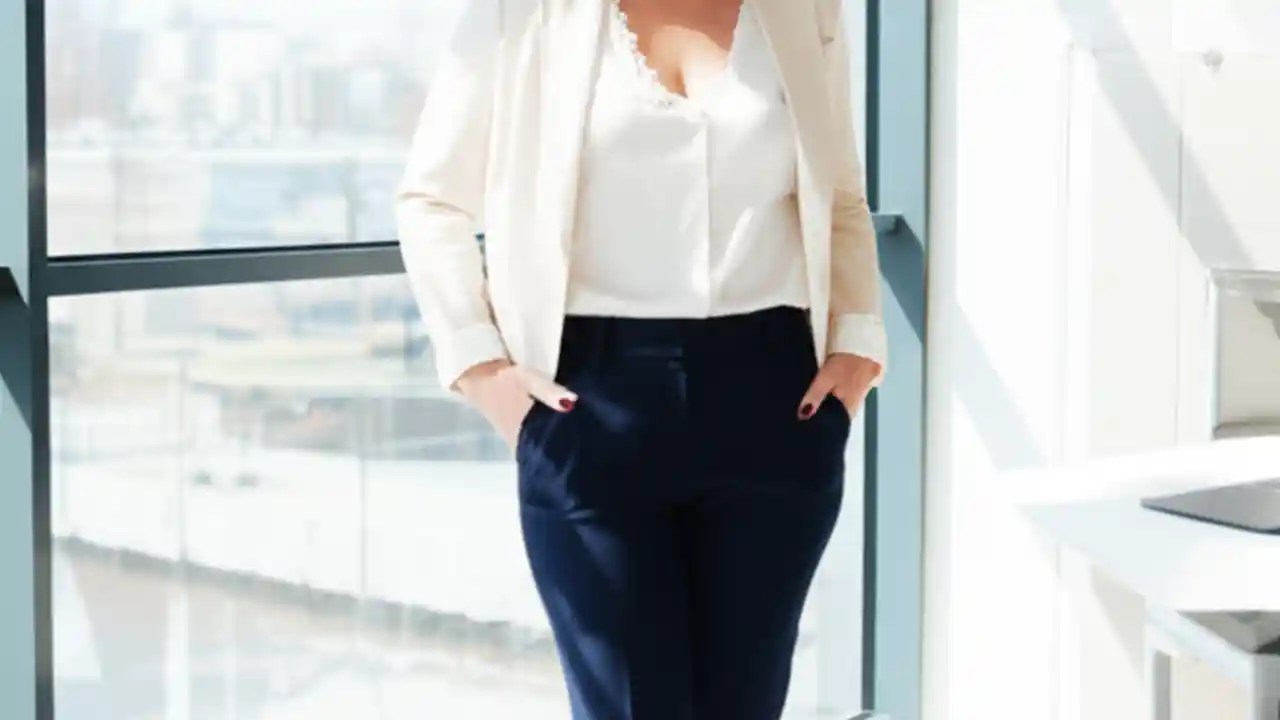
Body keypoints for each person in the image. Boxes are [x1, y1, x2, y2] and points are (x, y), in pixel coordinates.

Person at [395, 0, 887, 717]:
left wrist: (855, 347)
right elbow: (432, 200)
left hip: (776, 400)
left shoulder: (803, 9)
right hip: (590, 402)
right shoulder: (523, 12)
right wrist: (484, 371)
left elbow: (840, 194)